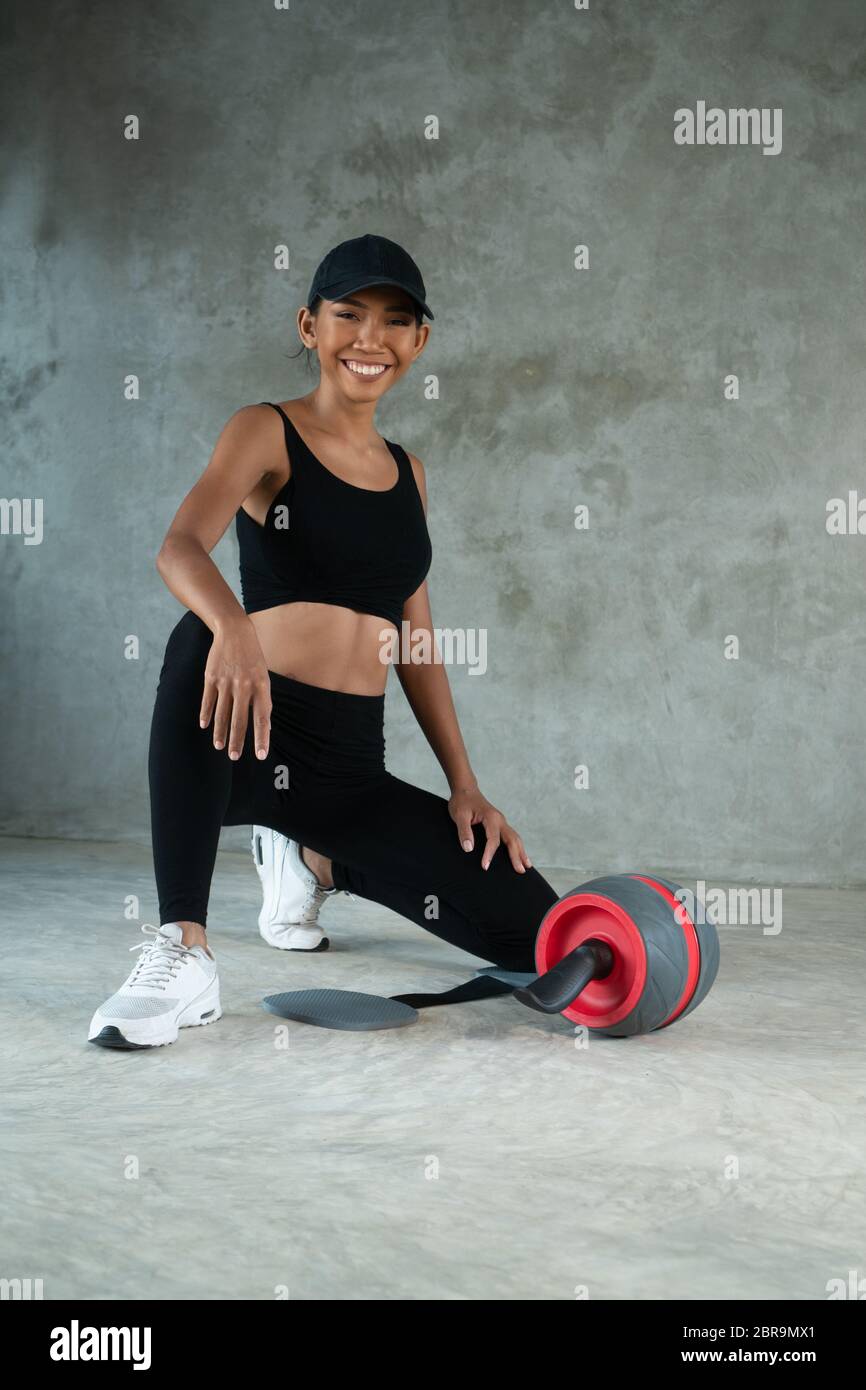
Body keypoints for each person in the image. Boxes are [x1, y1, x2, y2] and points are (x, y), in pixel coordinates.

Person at [88, 234, 560, 1050]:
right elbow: (181, 547)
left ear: (420, 342)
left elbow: (416, 642)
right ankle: (183, 948)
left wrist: (466, 786)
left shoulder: (410, 473)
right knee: (194, 638)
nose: (369, 339)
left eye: (394, 322)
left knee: (540, 935)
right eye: (349, 315)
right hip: (245, 729)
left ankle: (314, 864)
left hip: (345, 771)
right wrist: (233, 625)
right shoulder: (266, 430)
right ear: (311, 326)